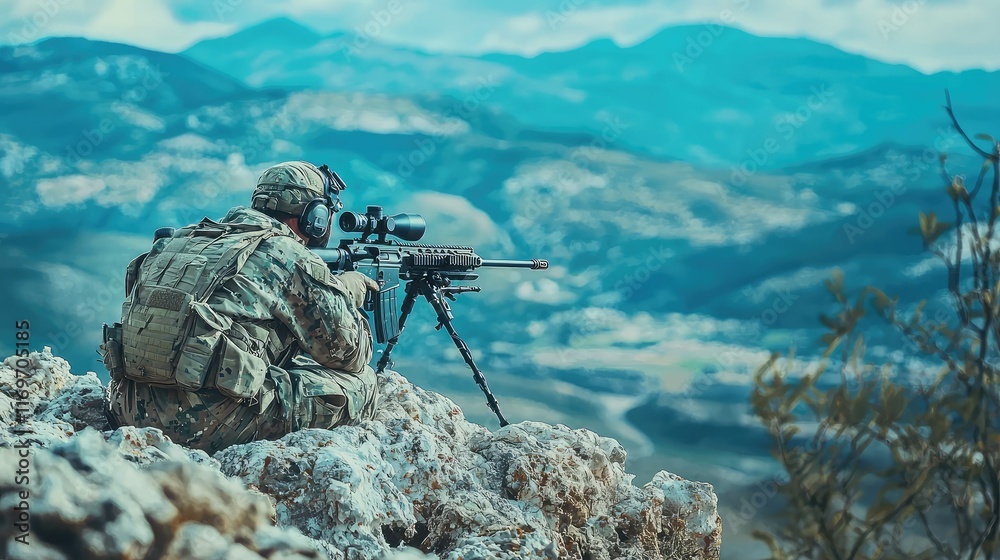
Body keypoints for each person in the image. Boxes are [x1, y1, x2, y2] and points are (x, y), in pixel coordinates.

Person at [102, 160, 380, 452]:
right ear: (315, 217)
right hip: (202, 426)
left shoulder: (183, 239)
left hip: (128, 409)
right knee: (363, 383)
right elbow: (349, 354)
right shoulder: (286, 254)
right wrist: (344, 292)